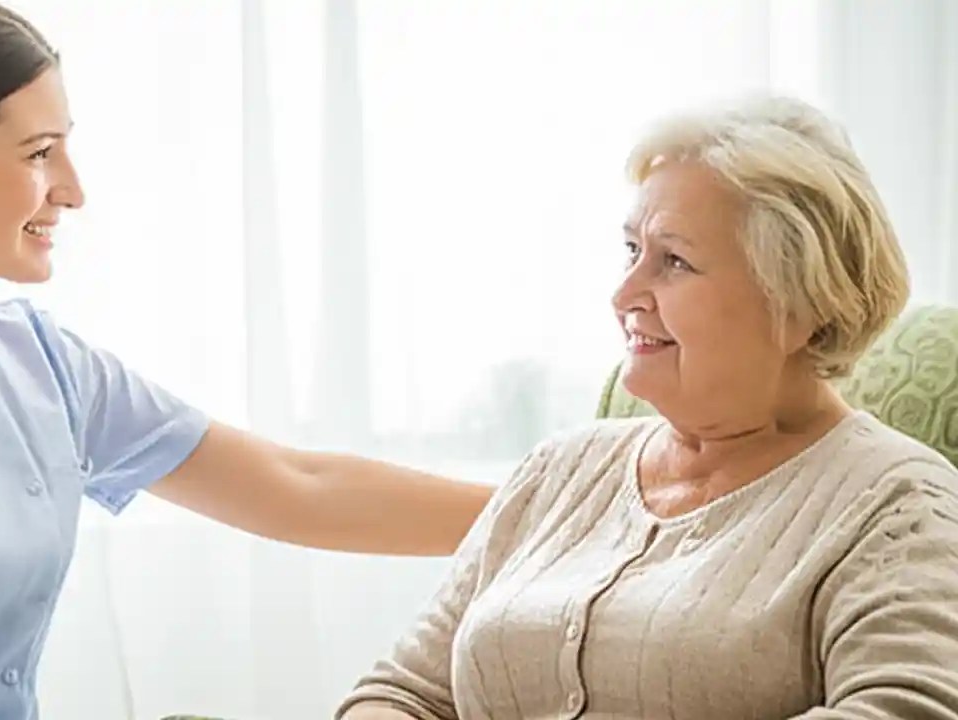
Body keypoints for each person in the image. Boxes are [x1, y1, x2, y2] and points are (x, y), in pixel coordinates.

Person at [0, 1, 494, 718]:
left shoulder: (43, 365)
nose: (72, 189)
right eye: (38, 153)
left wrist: (574, 515)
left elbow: (298, 489)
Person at [337, 96, 958, 719]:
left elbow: (902, 708)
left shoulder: (899, 503)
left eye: (675, 261)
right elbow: (403, 691)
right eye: (632, 250)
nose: (624, 293)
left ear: (798, 303)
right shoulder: (557, 472)